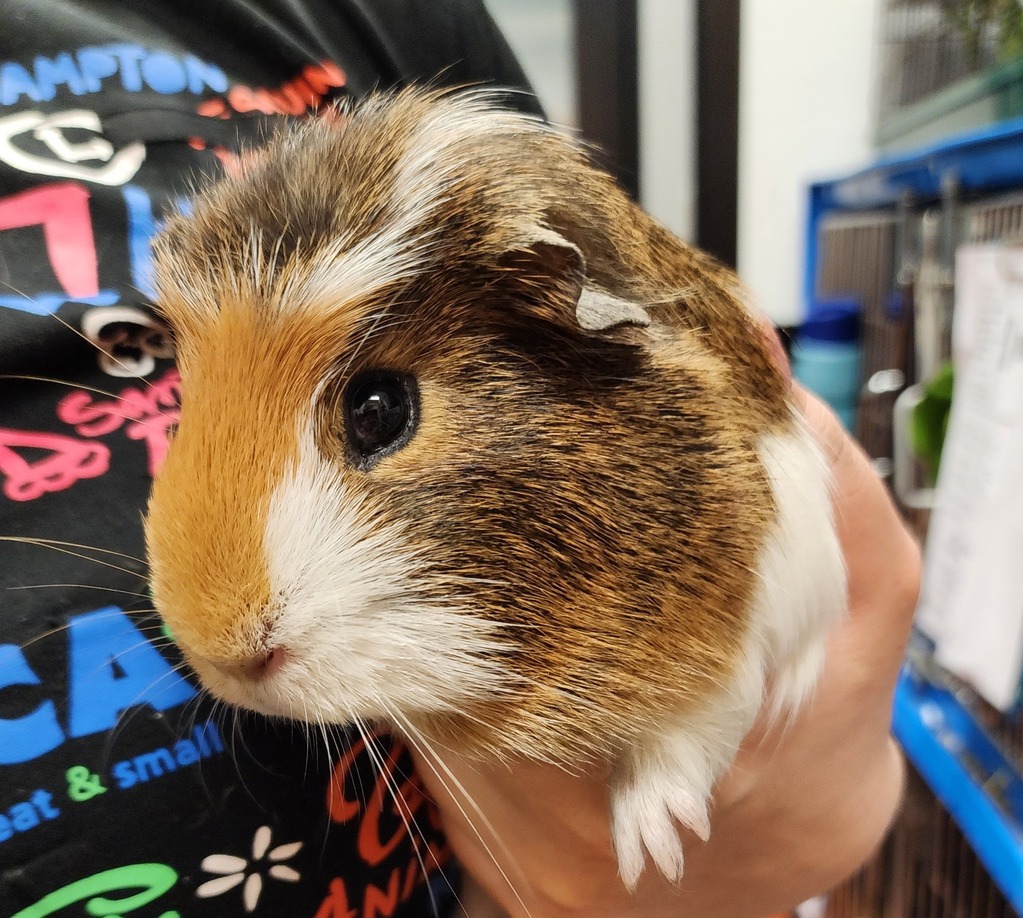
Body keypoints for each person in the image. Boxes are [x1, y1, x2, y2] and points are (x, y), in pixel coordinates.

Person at [0, 1, 921, 916]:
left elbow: (822, 755)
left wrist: (689, 753)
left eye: (376, 414)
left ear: (566, 296)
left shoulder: (371, 25)